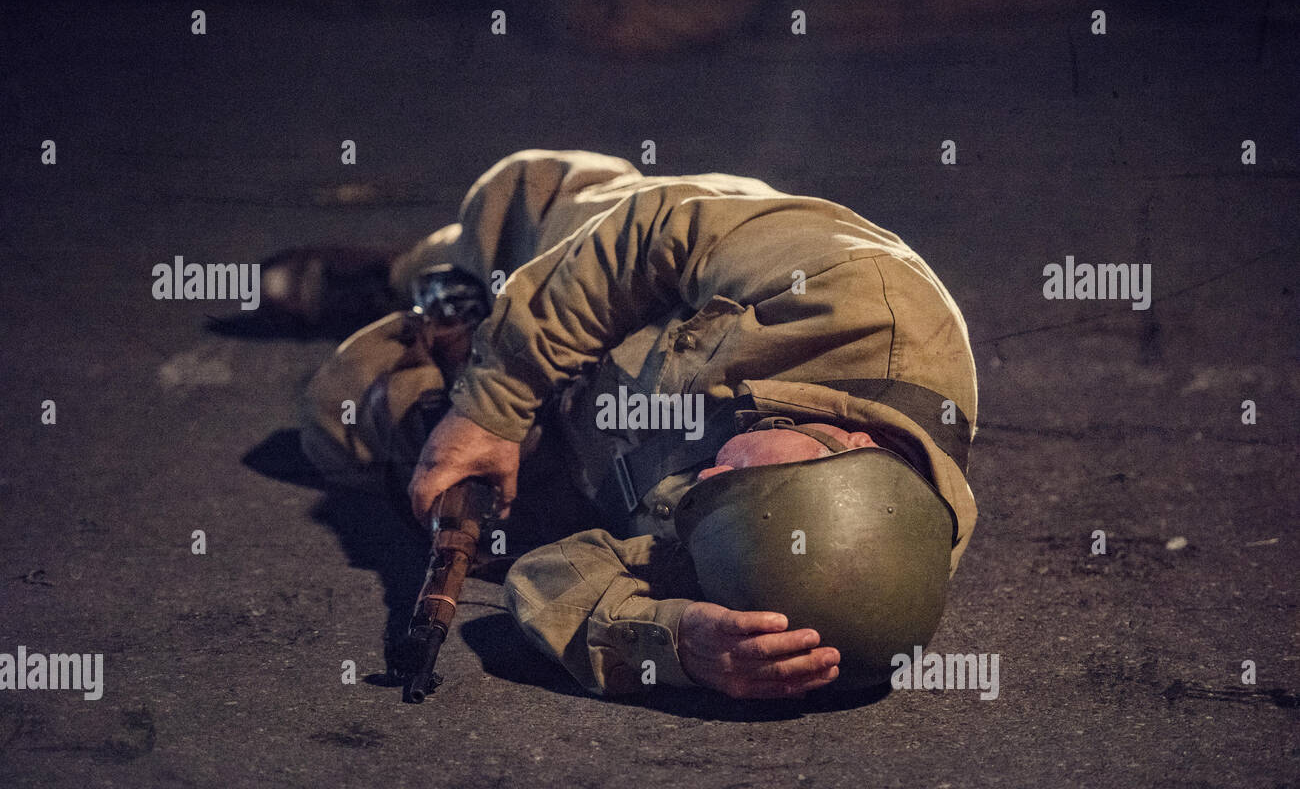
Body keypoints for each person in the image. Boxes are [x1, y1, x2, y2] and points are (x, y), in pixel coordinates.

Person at [263, 150, 978, 700]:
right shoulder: (862, 298)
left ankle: (432, 315)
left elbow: (549, 578)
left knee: (337, 418)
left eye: (715, 497)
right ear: (852, 443)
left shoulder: (776, 567)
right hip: (613, 282)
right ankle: (412, 270)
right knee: (519, 196)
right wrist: (494, 402)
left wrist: (677, 643)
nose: (708, 483)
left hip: (584, 448)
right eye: (742, 480)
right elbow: (657, 232)